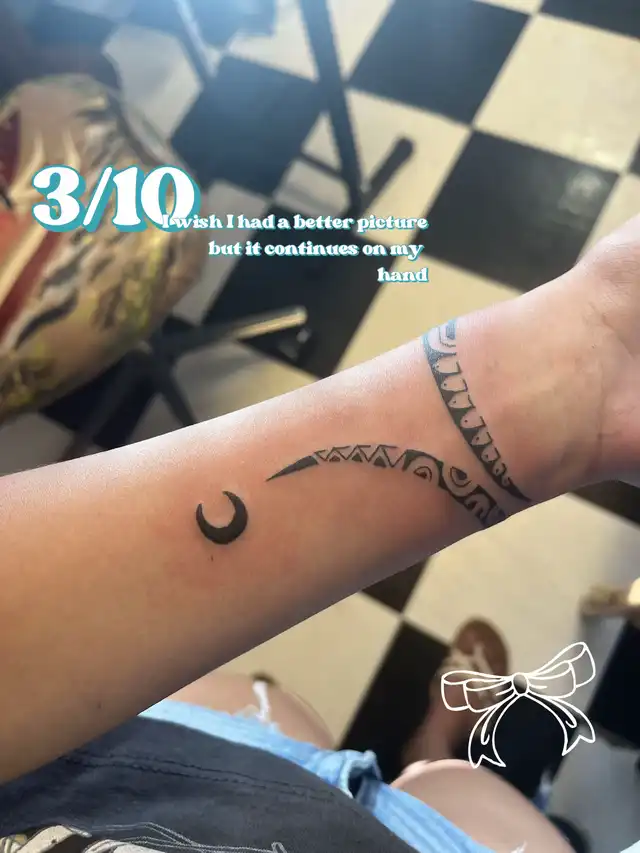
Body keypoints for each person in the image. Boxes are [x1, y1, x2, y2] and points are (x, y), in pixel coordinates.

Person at [2, 211, 640, 853]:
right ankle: (439, 751)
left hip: (149, 772)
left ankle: (434, 740)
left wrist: (580, 362)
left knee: (274, 711)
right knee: (460, 790)